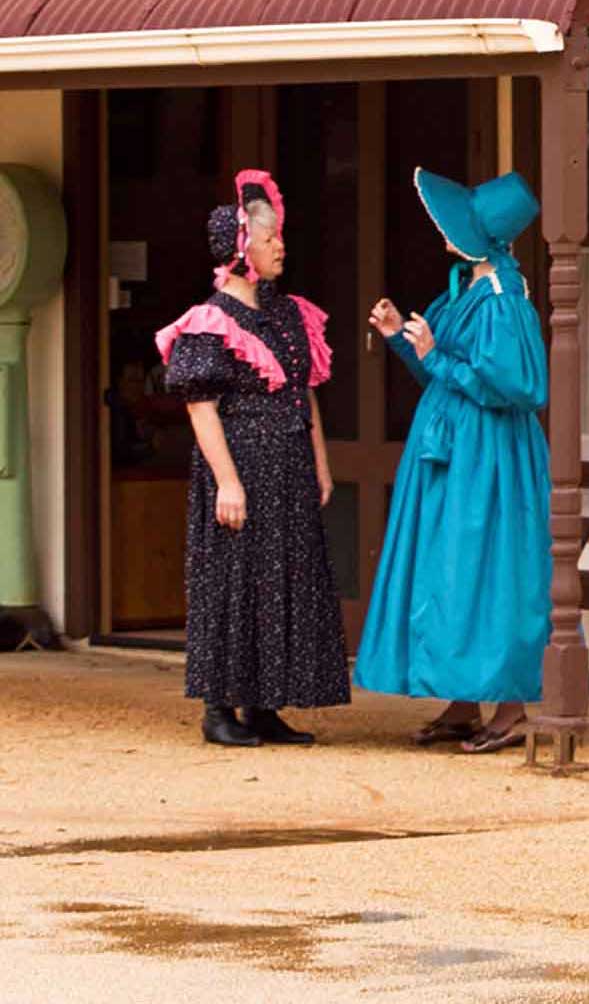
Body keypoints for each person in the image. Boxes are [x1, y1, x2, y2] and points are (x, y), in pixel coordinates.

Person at [354, 170, 550, 755]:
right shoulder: (469, 287)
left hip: (487, 457)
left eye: (455, 225)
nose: (444, 232)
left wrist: (435, 357)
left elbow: (514, 387)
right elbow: (440, 368)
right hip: (455, 448)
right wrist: (400, 339)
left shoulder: (502, 299)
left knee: (488, 570)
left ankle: (510, 709)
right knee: (450, 571)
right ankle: (465, 702)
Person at [154, 170, 348, 746]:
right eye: (269, 241)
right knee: (232, 582)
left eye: (279, 238)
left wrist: (320, 463)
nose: (279, 247)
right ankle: (218, 710)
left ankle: (265, 706)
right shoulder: (210, 320)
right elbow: (201, 409)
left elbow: (305, 389)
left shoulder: (288, 313)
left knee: (284, 581)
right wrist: (228, 484)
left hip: (288, 464)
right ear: (241, 252)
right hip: (240, 463)